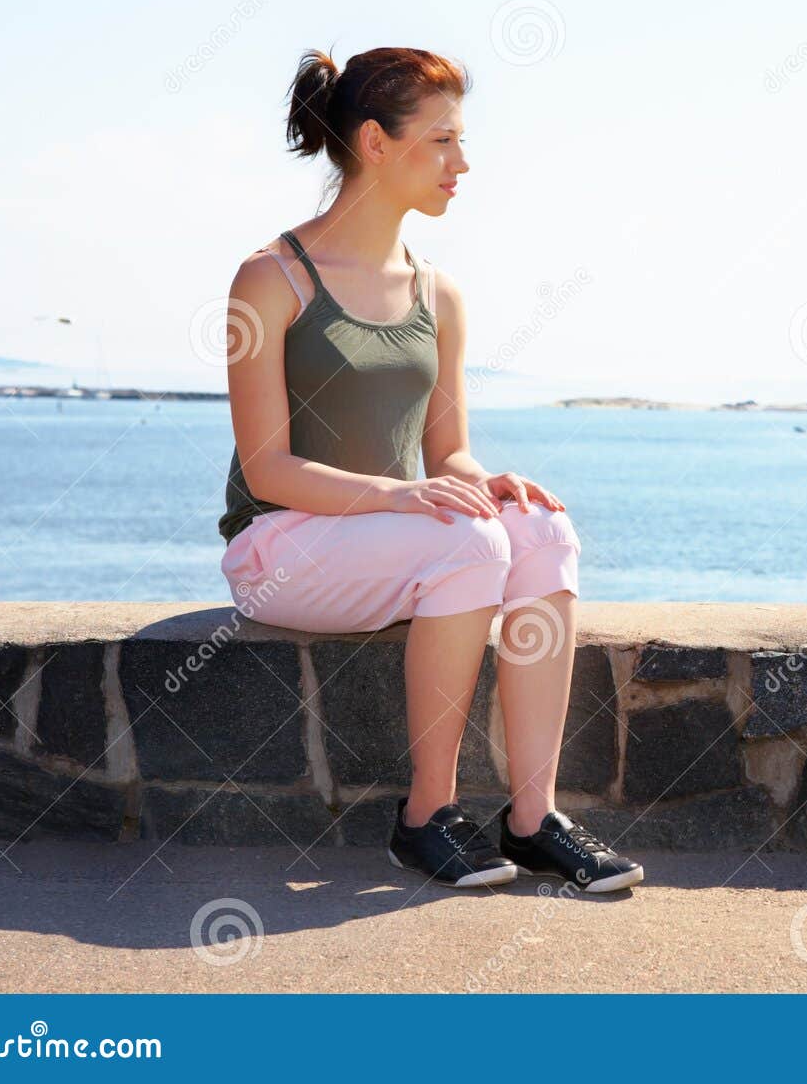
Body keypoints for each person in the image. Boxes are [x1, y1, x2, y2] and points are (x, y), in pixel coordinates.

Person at [215, 46, 643, 894]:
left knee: (541, 527)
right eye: (442, 140)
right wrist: (407, 495)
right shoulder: (269, 279)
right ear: (375, 142)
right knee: (470, 547)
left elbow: (446, 451)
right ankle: (425, 816)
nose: (463, 162)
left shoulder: (438, 293)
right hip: (279, 546)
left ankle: (533, 819)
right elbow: (267, 470)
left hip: (384, 537)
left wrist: (484, 482)